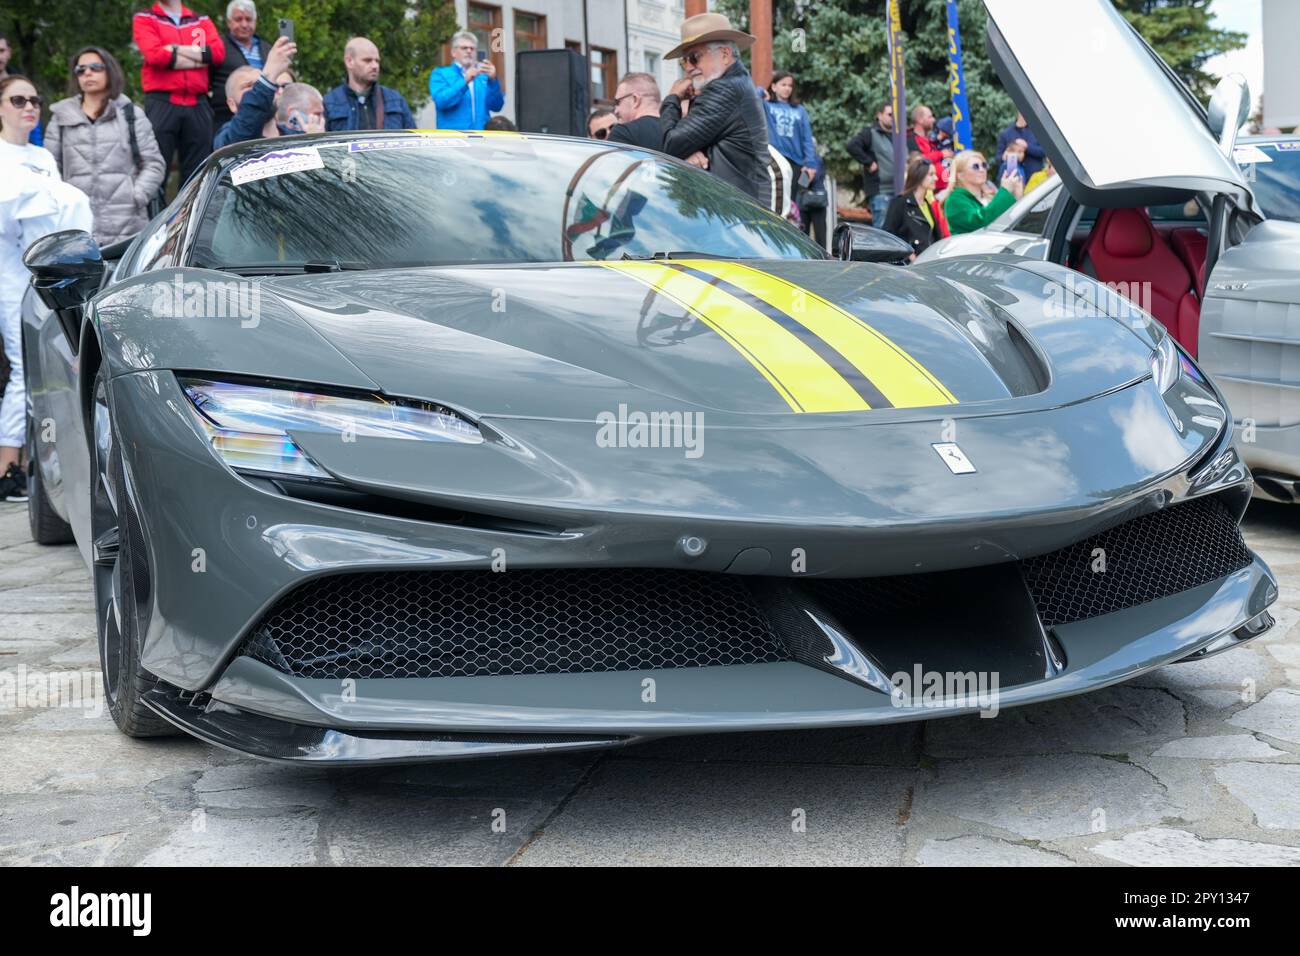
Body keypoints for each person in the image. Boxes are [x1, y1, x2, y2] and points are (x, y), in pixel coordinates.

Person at [0, 76, 93, 502]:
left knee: (51, 366)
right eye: (18, 99)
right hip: (10, 275)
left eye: (34, 99)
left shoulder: (41, 155)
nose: (29, 106)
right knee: (22, 369)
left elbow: (60, 214)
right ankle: (8, 467)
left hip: (47, 274)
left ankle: (44, 463)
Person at [45, 47, 167, 247]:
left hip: (128, 225)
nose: (88, 73)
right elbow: (49, 168)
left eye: (95, 67)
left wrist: (136, 196)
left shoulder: (131, 114)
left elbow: (154, 163)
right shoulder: (61, 116)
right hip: (76, 226)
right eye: (81, 69)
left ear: (110, 71)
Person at [659, 13, 770, 203]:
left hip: (737, 209)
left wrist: (672, 98)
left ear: (725, 55)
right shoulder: (734, 82)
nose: (688, 67)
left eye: (694, 58)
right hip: (737, 206)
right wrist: (687, 151)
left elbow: (671, 144)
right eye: (683, 61)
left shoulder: (725, 89)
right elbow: (683, 143)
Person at [133, 1, 225, 192]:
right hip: (162, 102)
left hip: (198, 103)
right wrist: (199, 56)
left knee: (198, 173)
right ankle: (153, 219)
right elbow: (155, 56)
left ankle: (191, 220)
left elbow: (217, 53)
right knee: (156, 169)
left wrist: (174, 50)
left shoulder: (201, 20)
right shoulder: (145, 18)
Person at [211, 36, 297, 148]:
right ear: (232, 105)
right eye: (248, 86)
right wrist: (268, 78)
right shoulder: (225, 138)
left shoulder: (295, 137)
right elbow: (241, 138)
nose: (259, 90)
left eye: (260, 84)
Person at [323, 37, 414, 132]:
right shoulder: (329, 103)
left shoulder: (395, 100)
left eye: (377, 61)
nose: (375, 66)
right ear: (349, 61)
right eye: (367, 60)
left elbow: (414, 140)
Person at [209, 0, 271, 132]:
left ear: (255, 22)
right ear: (229, 22)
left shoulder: (266, 48)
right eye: (238, 19)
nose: (244, 24)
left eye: (248, 19)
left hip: (264, 116)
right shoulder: (218, 46)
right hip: (227, 117)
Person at [429, 31, 503, 131]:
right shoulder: (440, 74)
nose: (469, 51)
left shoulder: (483, 77)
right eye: (464, 48)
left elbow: (497, 106)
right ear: (453, 52)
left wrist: (493, 80)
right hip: (453, 140)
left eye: (472, 48)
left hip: (481, 139)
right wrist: (465, 81)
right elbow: (441, 102)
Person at [762, 71, 816, 207]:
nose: (787, 88)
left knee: (791, 203)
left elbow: (806, 138)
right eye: (783, 84)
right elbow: (752, 97)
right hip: (773, 160)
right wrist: (761, 91)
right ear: (774, 87)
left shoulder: (800, 110)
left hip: (795, 162)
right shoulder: (767, 106)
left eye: (790, 85)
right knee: (773, 200)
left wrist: (810, 164)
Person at [883, 155, 949, 260]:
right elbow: (888, 235)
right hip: (909, 267)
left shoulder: (927, 204)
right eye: (931, 174)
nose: (936, 178)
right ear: (920, 176)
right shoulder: (900, 203)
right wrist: (909, 255)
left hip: (928, 262)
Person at [943, 149, 1023, 235]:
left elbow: (1009, 222)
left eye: (984, 165)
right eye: (975, 167)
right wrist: (1005, 190)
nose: (982, 170)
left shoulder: (990, 196)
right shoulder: (954, 200)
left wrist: (1017, 197)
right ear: (960, 175)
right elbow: (980, 222)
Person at [846, 102, 895, 225]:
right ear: (879, 115)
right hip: (880, 192)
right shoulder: (870, 133)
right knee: (881, 233)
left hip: (898, 191)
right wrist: (868, 162)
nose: (893, 118)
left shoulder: (896, 136)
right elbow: (852, 146)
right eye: (890, 114)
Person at [608, 72, 663, 151]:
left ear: (635, 99)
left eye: (618, 102)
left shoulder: (623, 133)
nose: (616, 110)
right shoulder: (678, 130)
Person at [907, 104, 949, 193]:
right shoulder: (911, 139)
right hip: (928, 190)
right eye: (930, 117)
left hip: (943, 187)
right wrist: (941, 154)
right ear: (920, 120)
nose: (933, 120)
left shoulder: (931, 138)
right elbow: (918, 160)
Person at [993, 111, 1045, 182]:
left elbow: (1044, 152)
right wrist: (1004, 157)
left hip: (1035, 180)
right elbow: (998, 158)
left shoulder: (1037, 131)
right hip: (1013, 180)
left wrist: (1027, 146)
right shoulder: (1006, 134)